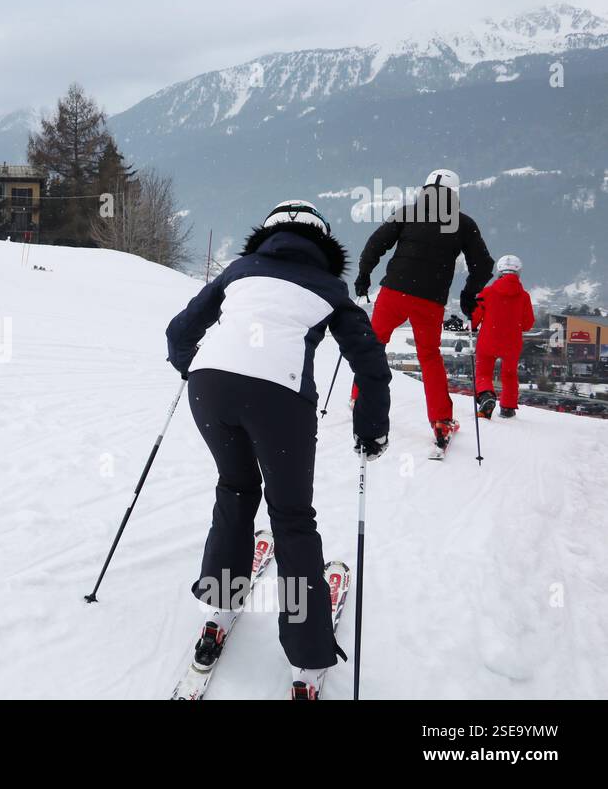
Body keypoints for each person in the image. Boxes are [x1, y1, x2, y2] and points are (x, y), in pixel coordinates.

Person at [166, 200, 392, 700]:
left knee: (236, 487)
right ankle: (308, 660)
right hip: (279, 397)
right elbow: (369, 360)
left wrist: (189, 366)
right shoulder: (329, 286)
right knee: (291, 519)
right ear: (323, 244)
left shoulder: (239, 270)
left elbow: (180, 331)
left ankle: (220, 607)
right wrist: (371, 427)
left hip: (211, 387)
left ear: (265, 235)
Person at [352, 169, 494, 452]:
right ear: (454, 195)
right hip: (429, 301)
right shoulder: (463, 224)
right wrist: (468, 295)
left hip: (393, 292)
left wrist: (364, 276)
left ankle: (359, 397)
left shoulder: (407, 213)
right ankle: (441, 421)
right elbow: (484, 265)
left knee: (374, 344)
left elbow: (375, 243)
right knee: (429, 357)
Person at [471, 255, 534, 419]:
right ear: (518, 272)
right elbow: (528, 324)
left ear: (499, 272)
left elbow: (475, 316)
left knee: (483, 373)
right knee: (510, 375)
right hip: (511, 343)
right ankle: (508, 408)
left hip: (488, 340)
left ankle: (486, 396)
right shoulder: (524, 297)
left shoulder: (487, 292)